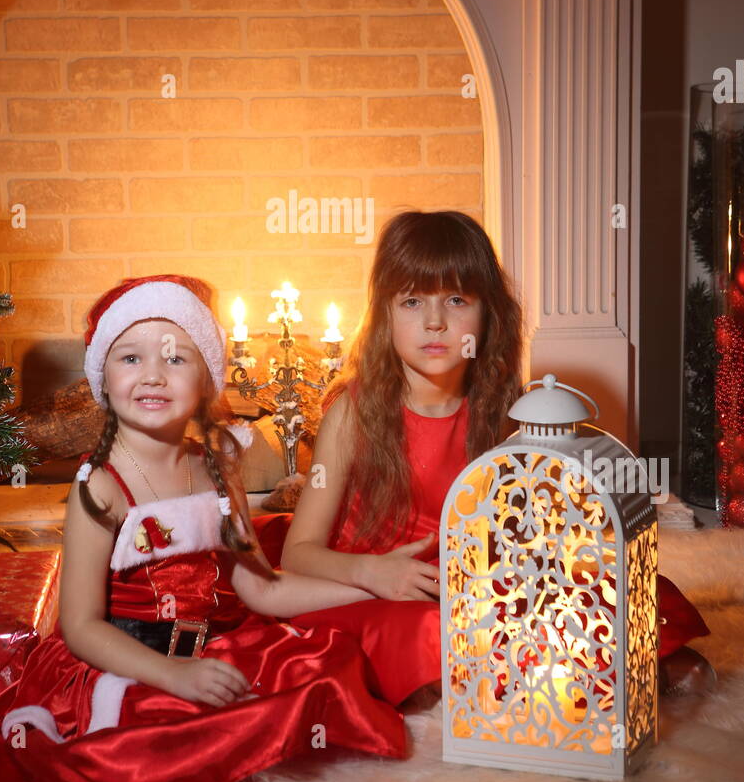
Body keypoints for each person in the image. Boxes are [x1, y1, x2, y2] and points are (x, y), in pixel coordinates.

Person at [0, 275, 406, 782]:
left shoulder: (218, 472)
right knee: (152, 725)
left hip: (203, 642)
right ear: (103, 377)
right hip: (122, 653)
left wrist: (366, 578)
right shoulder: (101, 488)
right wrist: (170, 675)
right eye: (131, 357)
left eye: (176, 356)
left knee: (316, 668)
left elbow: (262, 590)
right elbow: (82, 627)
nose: (152, 374)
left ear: (206, 379)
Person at [270, 211, 713, 708]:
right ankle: (519, 674)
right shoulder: (353, 412)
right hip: (379, 584)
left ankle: (589, 661)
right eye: (413, 301)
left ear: (487, 314)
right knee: (431, 629)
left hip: (472, 579)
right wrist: (370, 574)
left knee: (609, 586)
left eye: (456, 300)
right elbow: (297, 554)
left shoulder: (504, 407)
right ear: (384, 315)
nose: (435, 322)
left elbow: (523, 528)